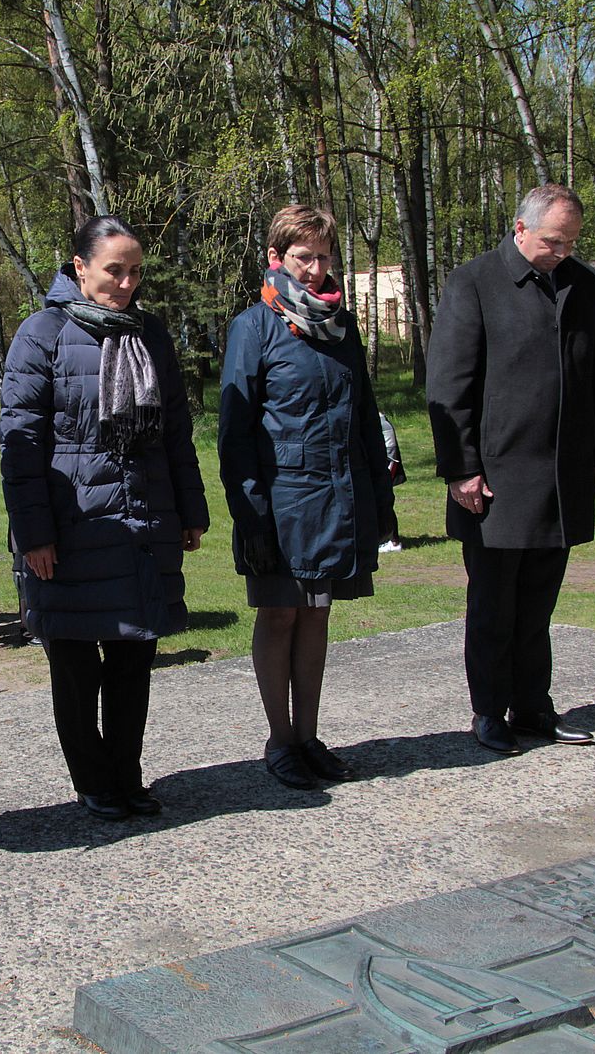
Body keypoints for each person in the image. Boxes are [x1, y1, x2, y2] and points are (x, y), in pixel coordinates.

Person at [2, 214, 209, 819]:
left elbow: (175, 432)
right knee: (73, 664)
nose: (125, 283)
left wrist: (189, 511)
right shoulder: (41, 334)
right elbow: (21, 446)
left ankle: (126, 775)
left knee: (133, 659)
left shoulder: (150, 334)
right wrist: (35, 533)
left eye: (135, 272)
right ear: (80, 267)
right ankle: (92, 780)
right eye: (114, 270)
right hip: (69, 532)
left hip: (139, 522)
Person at [426, 183, 595, 756]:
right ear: (520, 229)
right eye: (553, 242)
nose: (562, 252)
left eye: (571, 243)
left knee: (538, 604)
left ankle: (533, 705)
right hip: (494, 481)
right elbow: (450, 384)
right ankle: (489, 711)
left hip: (561, 478)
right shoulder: (475, 282)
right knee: (493, 605)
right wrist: (461, 470)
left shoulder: (584, 286)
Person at [217, 205, 391, 790]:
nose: (316, 270)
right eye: (303, 258)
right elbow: (235, 435)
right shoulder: (254, 326)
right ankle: (279, 740)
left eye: (324, 257)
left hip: (338, 496)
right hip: (280, 500)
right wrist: (252, 516)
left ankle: (309, 736)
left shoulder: (342, 327)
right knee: (282, 611)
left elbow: (364, 415)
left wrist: (379, 500)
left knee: (318, 613)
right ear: (275, 259)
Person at [378, 412, 406, 553]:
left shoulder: (378, 417)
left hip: (387, 456)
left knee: (384, 498)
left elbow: (390, 444)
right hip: (381, 455)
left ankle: (392, 541)